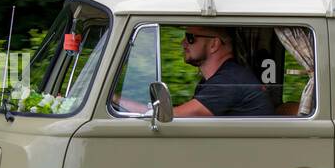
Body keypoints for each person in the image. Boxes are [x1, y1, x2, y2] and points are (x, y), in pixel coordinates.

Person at [117, 25, 274, 117]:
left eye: (190, 38)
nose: (183, 42)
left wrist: (116, 101)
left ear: (214, 44)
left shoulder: (228, 81)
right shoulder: (218, 80)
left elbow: (172, 116)